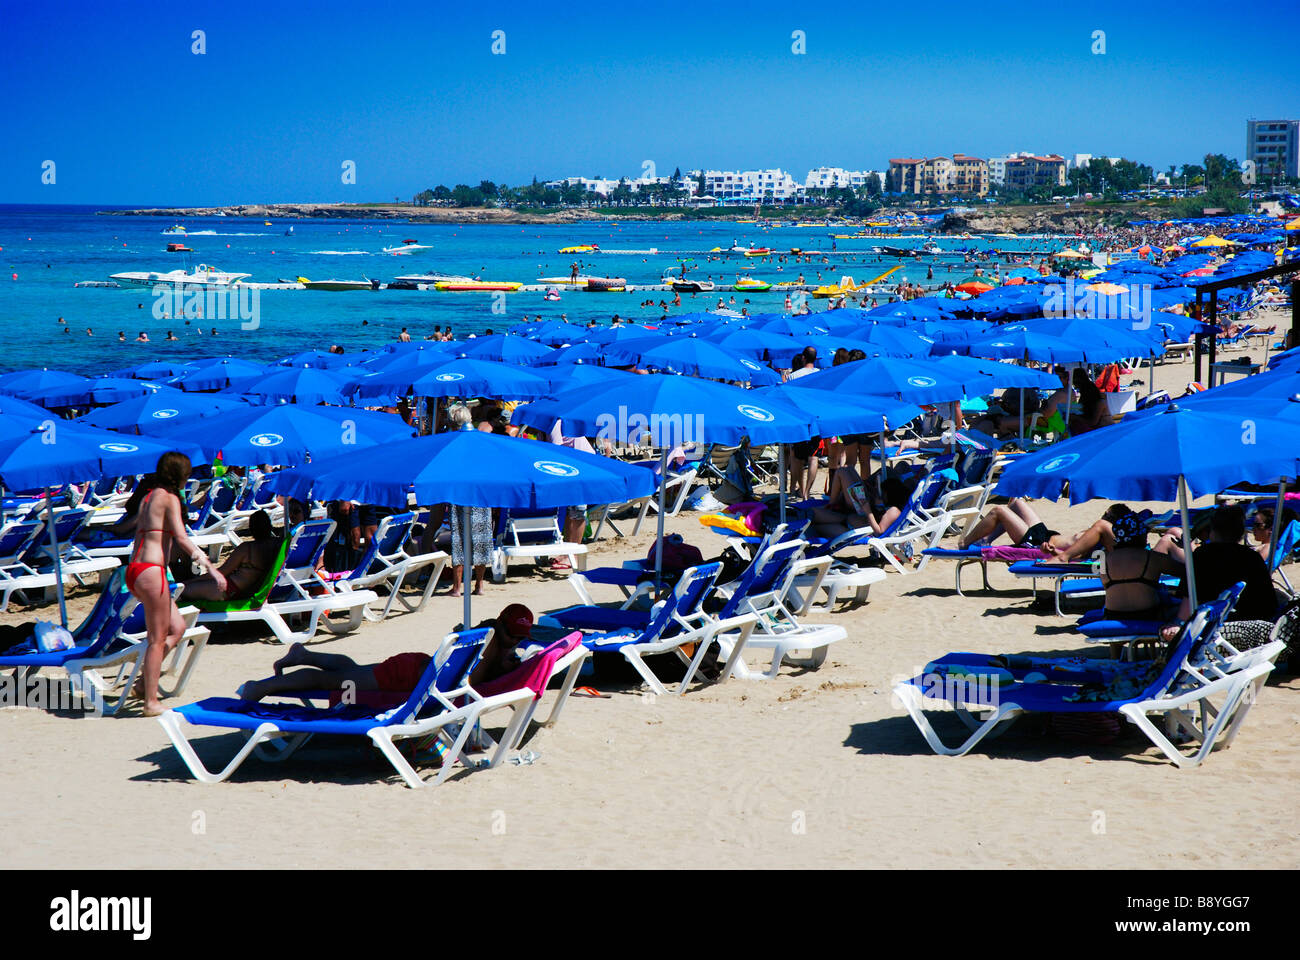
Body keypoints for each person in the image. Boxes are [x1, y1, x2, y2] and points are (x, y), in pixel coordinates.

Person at [234, 603, 539, 705]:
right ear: (500, 625)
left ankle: (303, 654)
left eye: (520, 639)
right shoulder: (487, 649)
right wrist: (501, 665)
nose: (515, 643)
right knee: (336, 682)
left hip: (415, 669)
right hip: (405, 675)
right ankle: (262, 687)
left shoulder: (490, 640)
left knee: (349, 671)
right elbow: (470, 684)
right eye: (512, 635)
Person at [126, 452, 226, 715]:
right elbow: (182, 538)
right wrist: (212, 569)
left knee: (177, 627)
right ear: (180, 475)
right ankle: (150, 702)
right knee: (157, 639)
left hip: (137, 570)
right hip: (152, 571)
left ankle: (144, 682)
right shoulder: (169, 498)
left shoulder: (149, 496)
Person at [1160, 506, 1278, 642]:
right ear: (1240, 533)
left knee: (1166, 616)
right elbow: (1269, 604)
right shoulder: (1252, 557)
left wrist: (1176, 623)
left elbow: (1188, 606)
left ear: (1212, 530)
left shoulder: (1203, 556)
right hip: (1257, 630)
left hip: (1215, 630)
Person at [181, 510, 283, 602]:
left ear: (252, 528)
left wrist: (191, 581)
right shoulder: (278, 544)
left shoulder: (247, 549)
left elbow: (221, 572)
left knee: (182, 591)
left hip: (231, 590)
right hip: (251, 589)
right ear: (269, 526)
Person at [1100, 511, 1184, 620]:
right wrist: (1184, 547)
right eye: (1145, 533)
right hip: (1149, 615)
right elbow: (1187, 571)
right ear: (1140, 535)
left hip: (1112, 615)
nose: (1146, 537)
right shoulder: (1151, 557)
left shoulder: (1104, 560)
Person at [447, 405, 491, 596]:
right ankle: (479, 585)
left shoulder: (453, 442)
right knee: (480, 541)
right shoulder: (482, 440)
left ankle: (457, 587)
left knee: (459, 539)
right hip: (480, 494)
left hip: (459, 493)